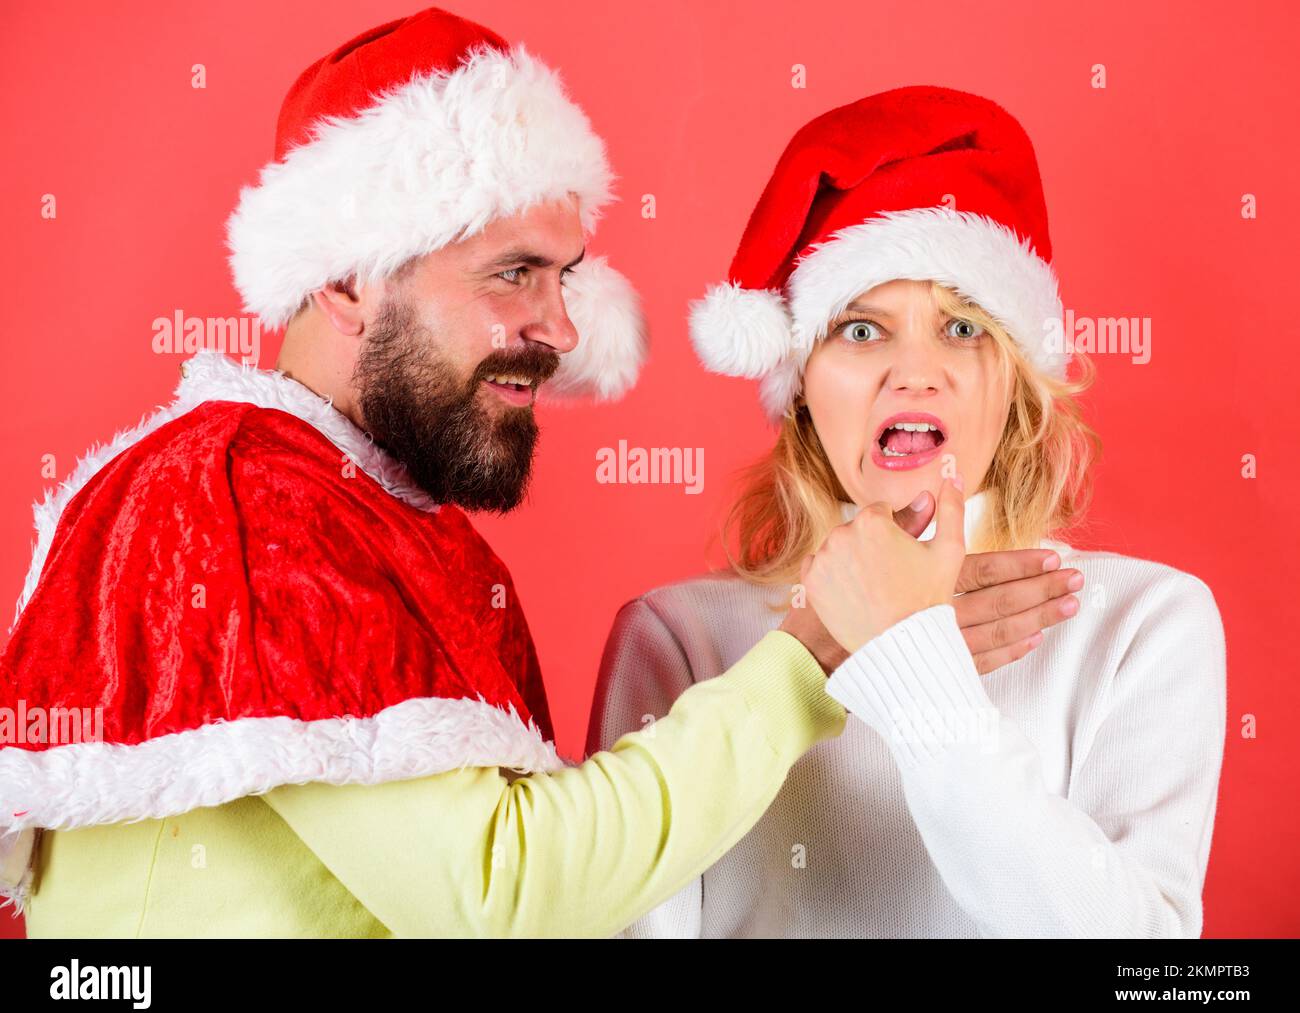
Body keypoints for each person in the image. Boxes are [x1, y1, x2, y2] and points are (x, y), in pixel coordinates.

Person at [0, 5, 869, 938]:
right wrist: (811, 653)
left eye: (564, 275)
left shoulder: (369, 511)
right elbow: (498, 893)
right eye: (511, 274)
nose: (563, 328)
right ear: (345, 281)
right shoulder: (248, 502)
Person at [587, 86, 1227, 938]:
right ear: (804, 388)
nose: (915, 371)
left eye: (963, 329)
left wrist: (917, 670)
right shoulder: (679, 638)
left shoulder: (1145, 624)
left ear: (1019, 379)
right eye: (860, 330)